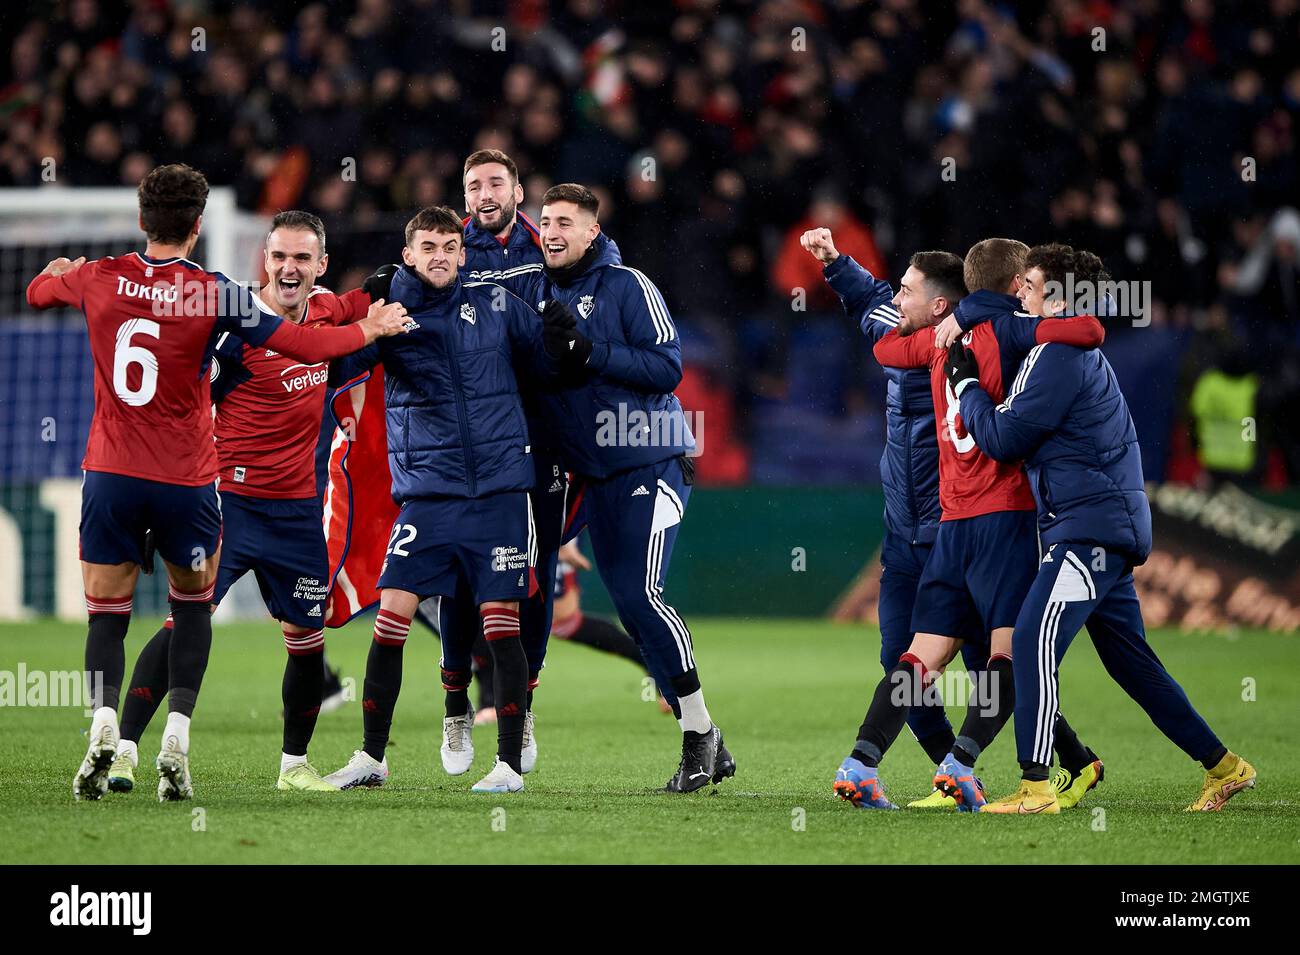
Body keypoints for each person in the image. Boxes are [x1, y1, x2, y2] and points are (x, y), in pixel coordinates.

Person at [24, 164, 407, 801]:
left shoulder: (105, 277)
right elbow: (304, 346)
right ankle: (138, 744)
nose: (289, 267)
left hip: (276, 509)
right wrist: (370, 326)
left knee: (297, 645)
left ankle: (281, 762)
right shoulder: (225, 304)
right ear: (207, 231)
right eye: (279, 255)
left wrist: (56, 271)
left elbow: (39, 294)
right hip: (215, 493)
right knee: (185, 617)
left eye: (301, 258)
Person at [945, 242, 1257, 813]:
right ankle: (1225, 766)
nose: (1022, 294)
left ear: (1059, 297)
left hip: (1088, 528)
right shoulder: (1059, 346)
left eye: (1032, 286)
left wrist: (966, 389)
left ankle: (1036, 787)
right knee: (1132, 663)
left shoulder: (1058, 357)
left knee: (1030, 641)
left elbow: (1005, 439)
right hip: (1102, 522)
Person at [481, 183, 735, 792]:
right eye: (546, 222)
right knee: (529, 584)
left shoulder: (627, 285)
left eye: (567, 221)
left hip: (647, 461)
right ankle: (522, 719)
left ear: (593, 230)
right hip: (583, 472)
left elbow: (668, 368)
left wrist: (589, 351)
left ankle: (701, 733)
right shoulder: (533, 291)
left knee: (637, 598)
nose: (555, 232)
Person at [838, 238, 1105, 810]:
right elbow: (1089, 334)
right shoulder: (1010, 329)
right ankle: (960, 763)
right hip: (1004, 517)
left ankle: (860, 762)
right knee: (1011, 658)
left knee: (919, 657)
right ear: (1015, 286)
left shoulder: (938, 343)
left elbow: (886, 349)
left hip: (950, 525)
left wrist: (947, 324)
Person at [323, 206, 558, 795]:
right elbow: (335, 368)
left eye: (450, 247)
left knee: (502, 628)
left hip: (502, 493)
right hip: (427, 497)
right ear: (408, 255)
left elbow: (551, 360)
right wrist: (366, 327)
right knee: (391, 618)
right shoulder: (391, 314)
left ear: (462, 253)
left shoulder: (498, 305)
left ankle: (507, 765)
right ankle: (372, 757)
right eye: (427, 246)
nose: (440, 256)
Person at [801, 227, 988, 809]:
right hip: (902, 536)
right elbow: (868, 300)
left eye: (906, 291)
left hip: (953, 533)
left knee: (989, 662)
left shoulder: (968, 353)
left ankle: (1064, 759)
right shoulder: (900, 330)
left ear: (940, 306)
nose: (894, 300)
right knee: (899, 658)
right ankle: (950, 772)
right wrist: (835, 263)